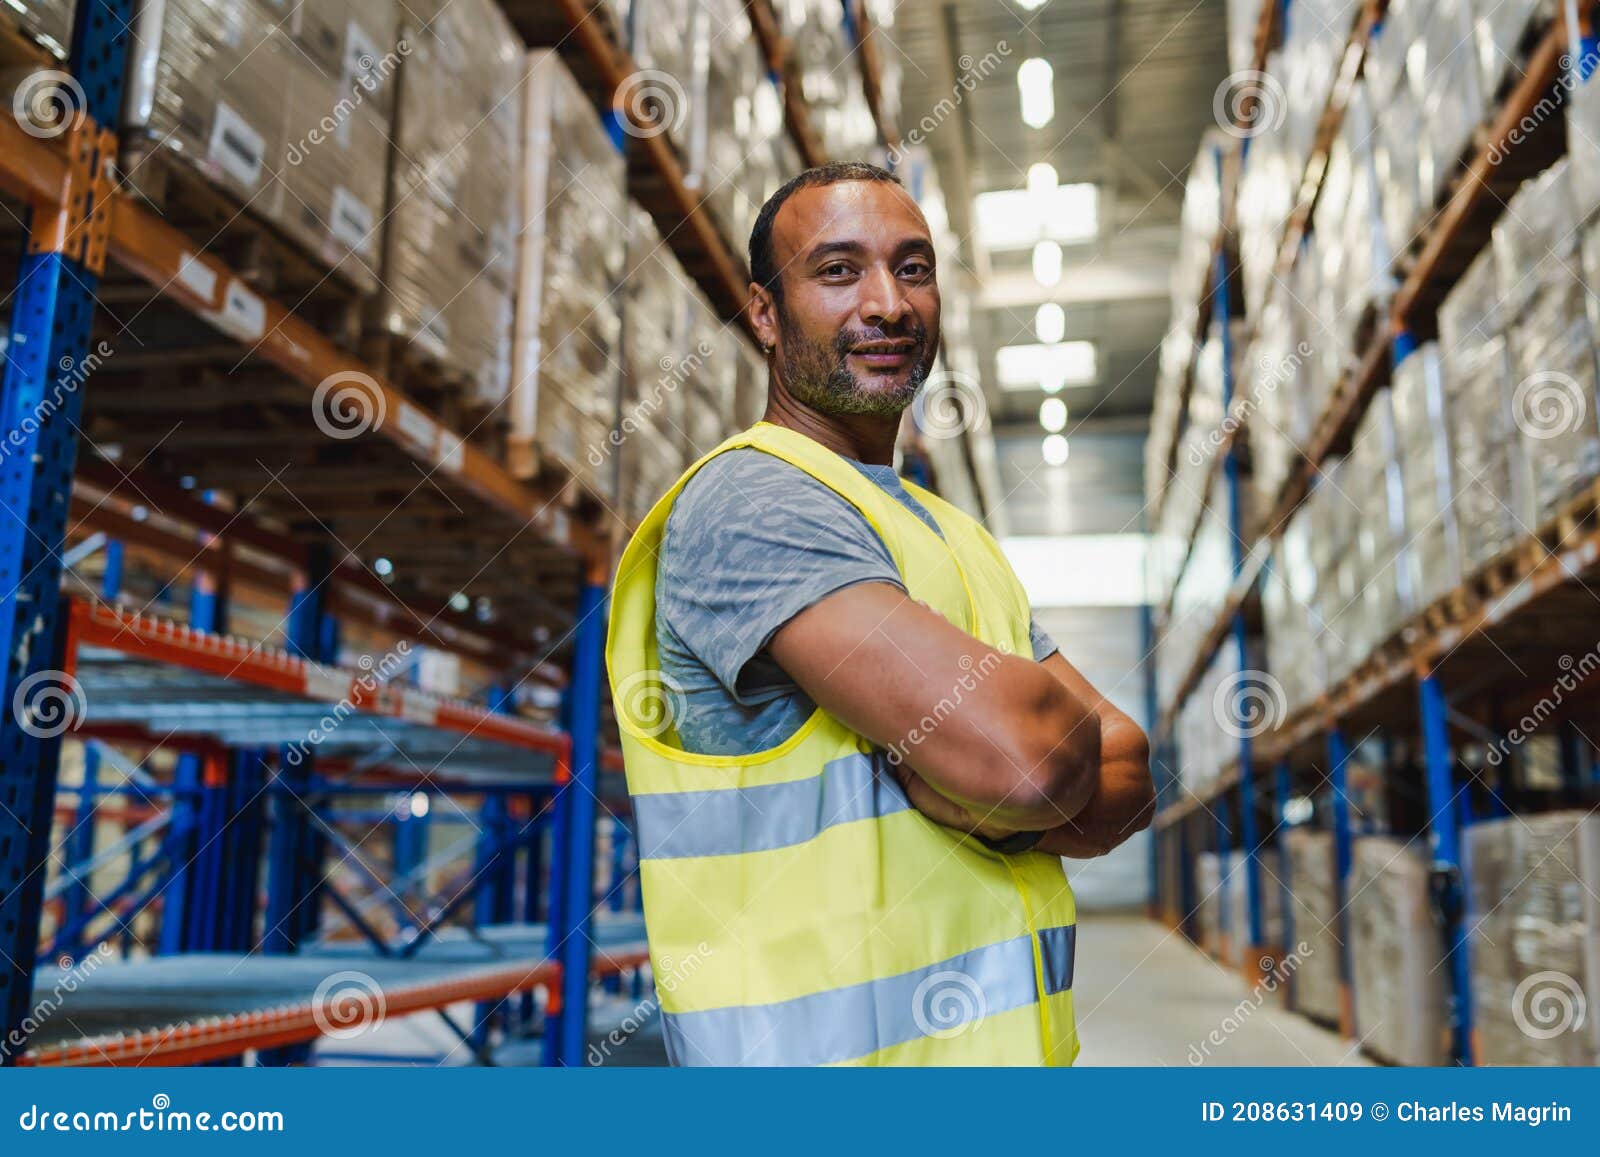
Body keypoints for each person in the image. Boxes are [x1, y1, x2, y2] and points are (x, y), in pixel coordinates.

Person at [606, 162, 1153, 1067]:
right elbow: (1028, 761)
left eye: (913, 268)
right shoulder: (755, 499)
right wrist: (1015, 768)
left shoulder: (949, 533)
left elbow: (1125, 763)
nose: (889, 304)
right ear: (765, 314)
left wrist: (974, 786)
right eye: (836, 271)